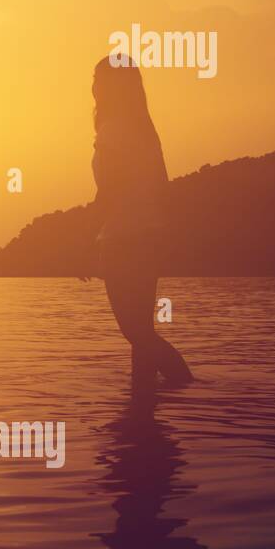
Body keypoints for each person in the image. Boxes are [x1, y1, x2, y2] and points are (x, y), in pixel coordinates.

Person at [88, 55, 192, 384]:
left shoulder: (113, 130)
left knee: (135, 332)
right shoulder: (143, 131)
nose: (93, 86)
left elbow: (109, 191)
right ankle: (142, 408)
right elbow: (161, 188)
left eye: (98, 79)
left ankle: (185, 387)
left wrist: (82, 241)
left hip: (123, 239)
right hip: (148, 236)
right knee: (142, 332)